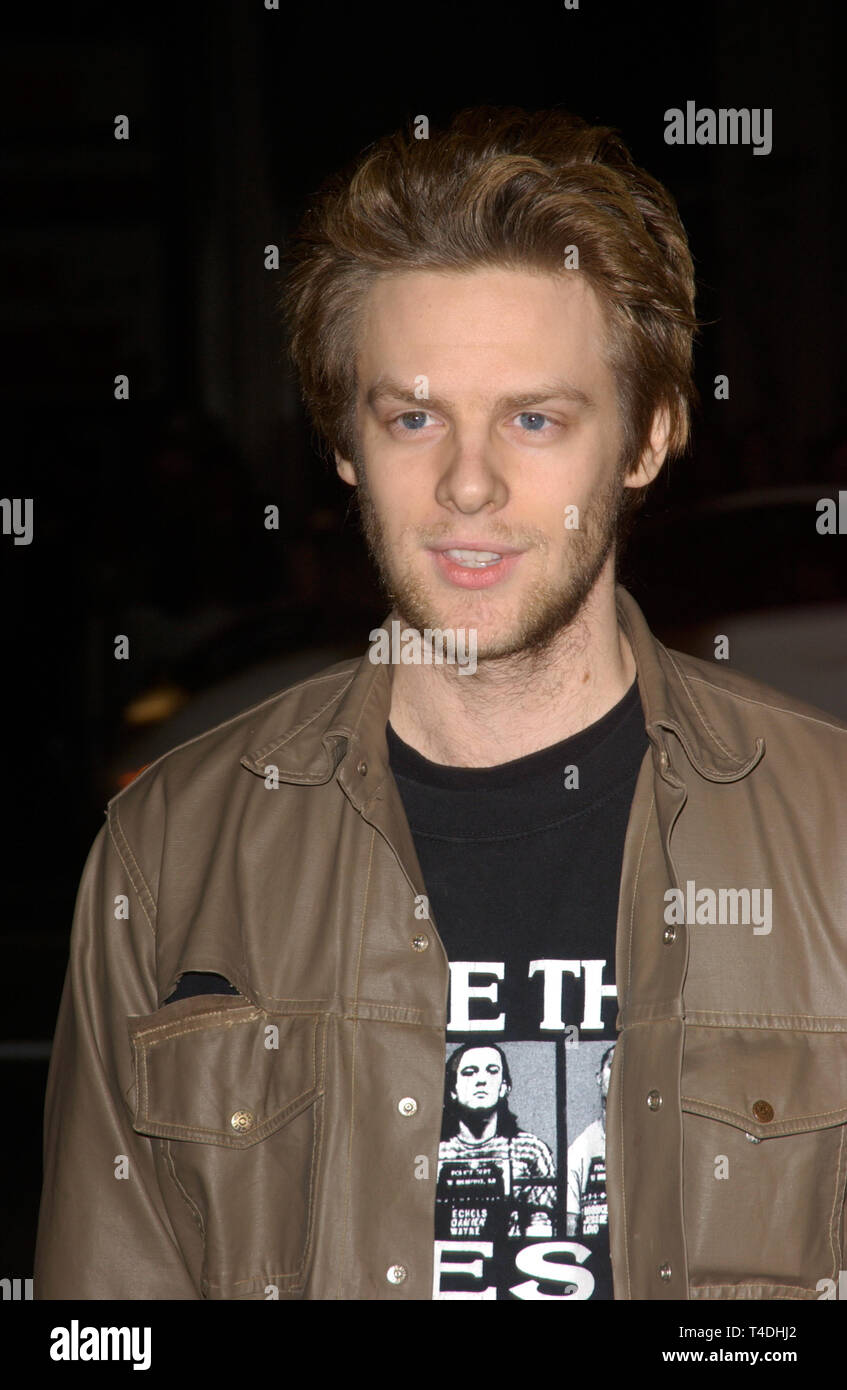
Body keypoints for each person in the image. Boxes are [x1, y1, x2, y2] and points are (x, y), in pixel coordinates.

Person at [34, 106, 847, 1302]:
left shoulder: (831, 838)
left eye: (534, 417)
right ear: (345, 444)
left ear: (648, 436)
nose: (468, 482)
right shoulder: (173, 856)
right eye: (413, 417)